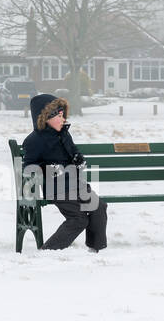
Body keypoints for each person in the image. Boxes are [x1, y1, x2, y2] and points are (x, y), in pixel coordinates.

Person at [21, 93, 108, 252]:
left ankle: (96, 248)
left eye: (63, 115)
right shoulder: (34, 140)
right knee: (78, 219)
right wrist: (46, 169)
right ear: (45, 118)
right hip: (58, 189)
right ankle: (49, 250)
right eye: (58, 116)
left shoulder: (64, 134)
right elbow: (28, 168)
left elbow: (74, 151)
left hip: (77, 184)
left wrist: (78, 158)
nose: (63, 119)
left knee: (99, 207)